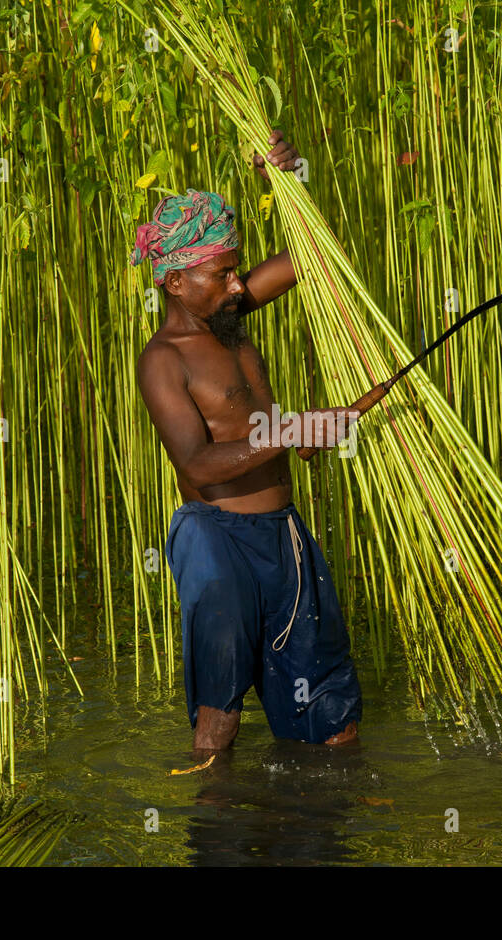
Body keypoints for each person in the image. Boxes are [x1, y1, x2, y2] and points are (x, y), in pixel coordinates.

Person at [131, 131, 362, 755]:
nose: (238, 286)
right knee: (221, 720)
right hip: (217, 539)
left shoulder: (230, 317)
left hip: (283, 535)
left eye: (238, 270)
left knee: (333, 724)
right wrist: (291, 430)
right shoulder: (162, 360)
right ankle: (219, 833)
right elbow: (200, 465)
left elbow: (320, 254)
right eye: (223, 273)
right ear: (175, 281)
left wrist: (286, 182)